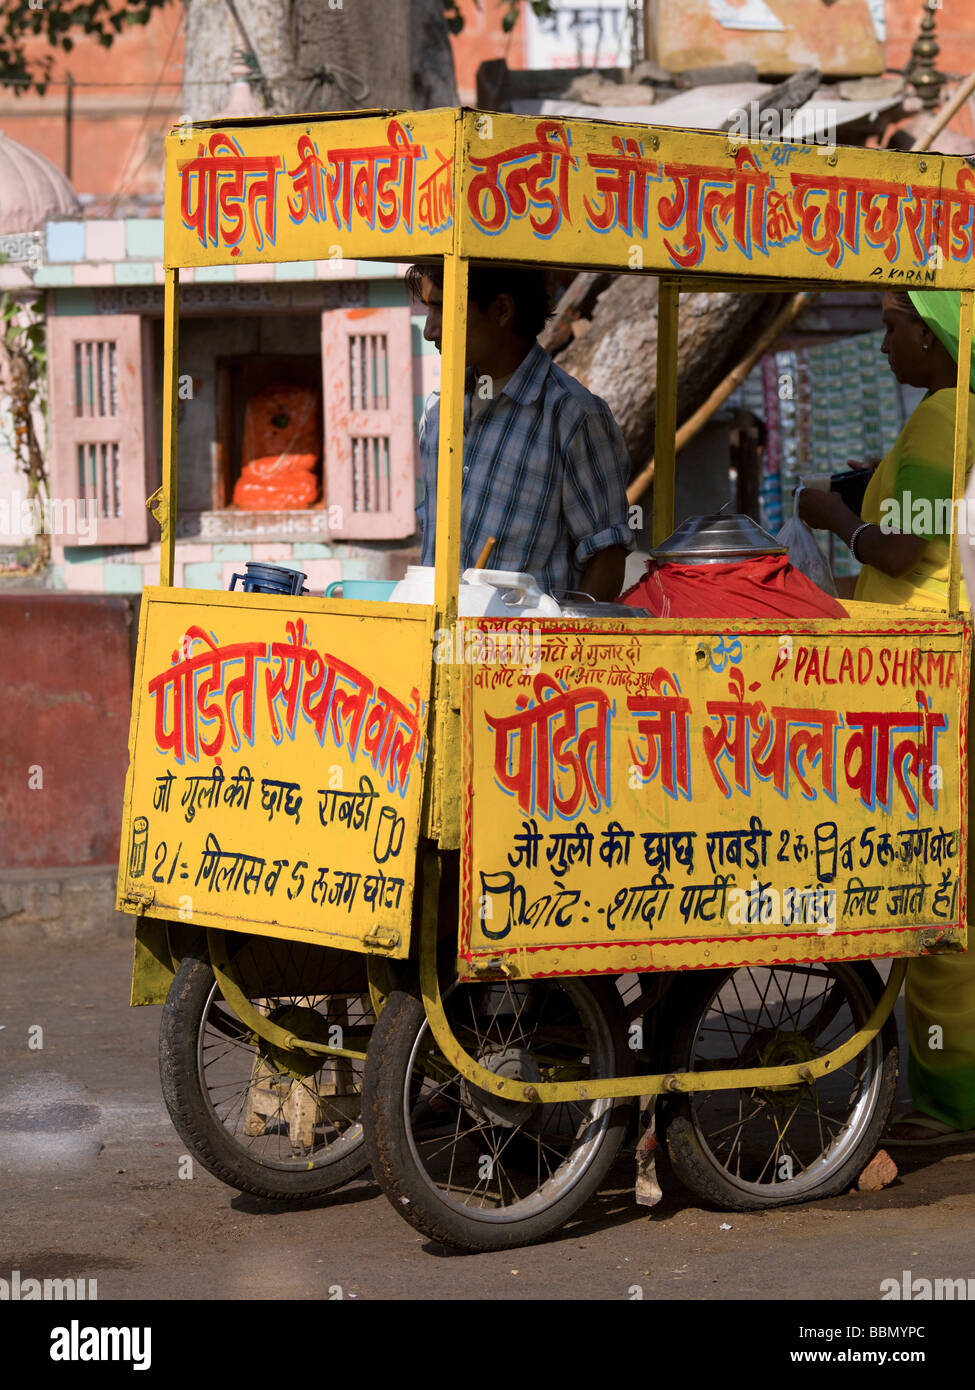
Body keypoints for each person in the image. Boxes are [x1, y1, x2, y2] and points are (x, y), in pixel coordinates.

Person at [798, 289, 975, 1144]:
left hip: (926, 687)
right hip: (921, 676)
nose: (880, 344)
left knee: (941, 904)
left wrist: (837, 518)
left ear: (935, 340)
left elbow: (904, 547)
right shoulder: (944, 414)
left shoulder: (946, 411)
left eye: (892, 325)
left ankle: (951, 1106)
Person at [408, 262, 633, 600]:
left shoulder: (572, 417)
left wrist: (565, 649)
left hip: (529, 651)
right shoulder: (438, 411)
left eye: (441, 308)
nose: (430, 330)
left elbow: (607, 558)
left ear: (501, 310)